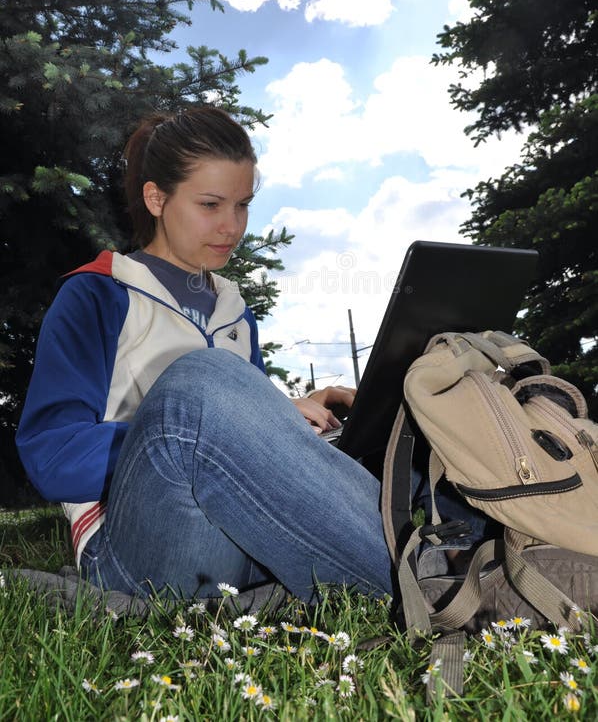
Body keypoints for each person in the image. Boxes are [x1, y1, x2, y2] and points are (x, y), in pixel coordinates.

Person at [16, 106, 394, 602]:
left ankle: (449, 543)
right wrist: (195, 433)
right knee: (204, 379)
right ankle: (425, 583)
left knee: (384, 429)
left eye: (243, 205)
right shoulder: (97, 294)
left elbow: (239, 452)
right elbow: (51, 456)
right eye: (211, 205)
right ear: (156, 198)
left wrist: (287, 417)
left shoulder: (238, 314)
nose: (231, 226)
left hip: (240, 526)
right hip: (134, 547)